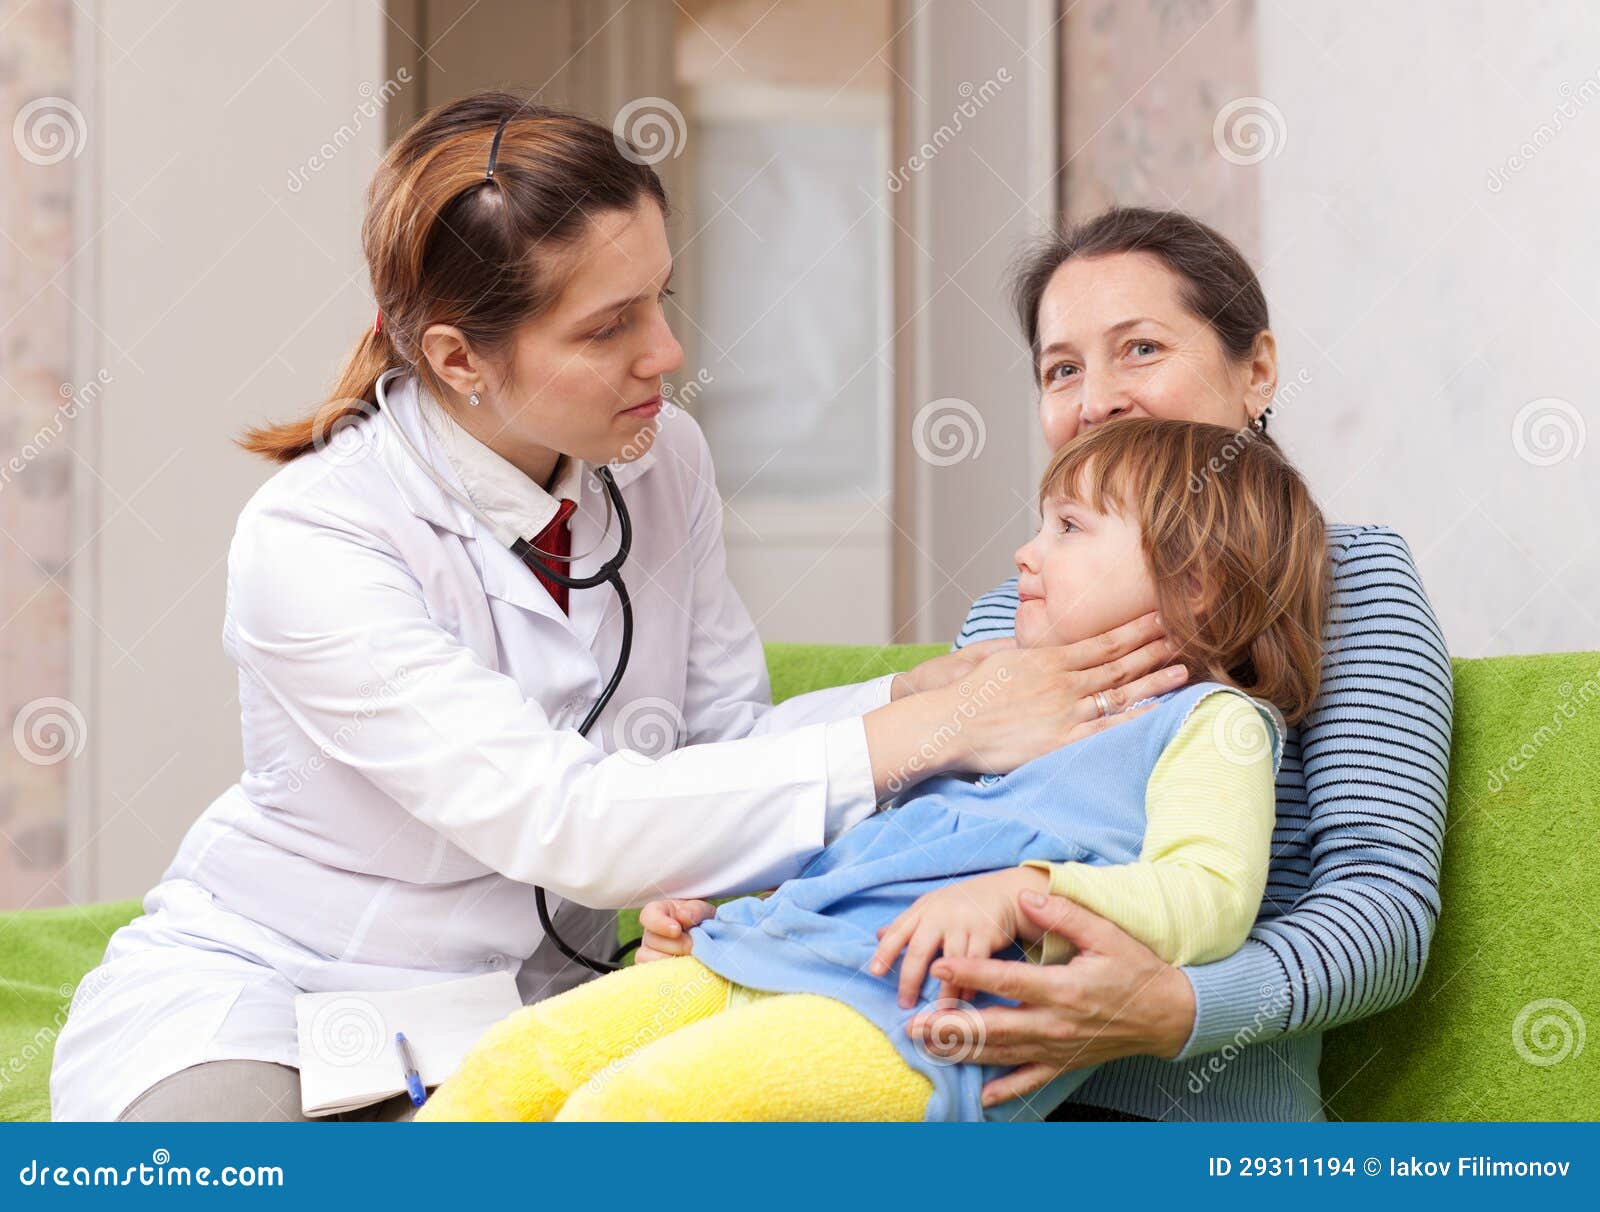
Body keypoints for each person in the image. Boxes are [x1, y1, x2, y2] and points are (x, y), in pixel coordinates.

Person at [47, 100, 1181, 1124]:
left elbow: (715, 751)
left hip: (516, 1014)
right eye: (608, 327)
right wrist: (933, 732)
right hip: (280, 992)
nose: (669, 354)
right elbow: (568, 822)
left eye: (660, 299)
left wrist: (916, 694)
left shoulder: (659, 458)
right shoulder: (314, 540)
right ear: (459, 357)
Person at [642, 208, 1453, 1122]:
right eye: (1062, 369)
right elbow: (918, 854)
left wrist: (1166, 1013)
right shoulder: (1009, 615)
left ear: (1255, 370)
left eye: (1140, 348)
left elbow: (1380, 905)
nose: (1095, 400)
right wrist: (747, 929)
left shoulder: (1350, 578)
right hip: (940, 1078)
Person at [414, 416, 1331, 1122]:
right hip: (774, 955)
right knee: (510, 1069)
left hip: (912, 1021)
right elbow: (875, 849)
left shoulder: (1213, 725)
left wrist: (1026, 896)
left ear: (1196, 579)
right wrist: (723, 913)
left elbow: (1209, 894)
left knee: (631, 1115)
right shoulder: (1003, 693)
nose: (1027, 551)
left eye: (1070, 528)